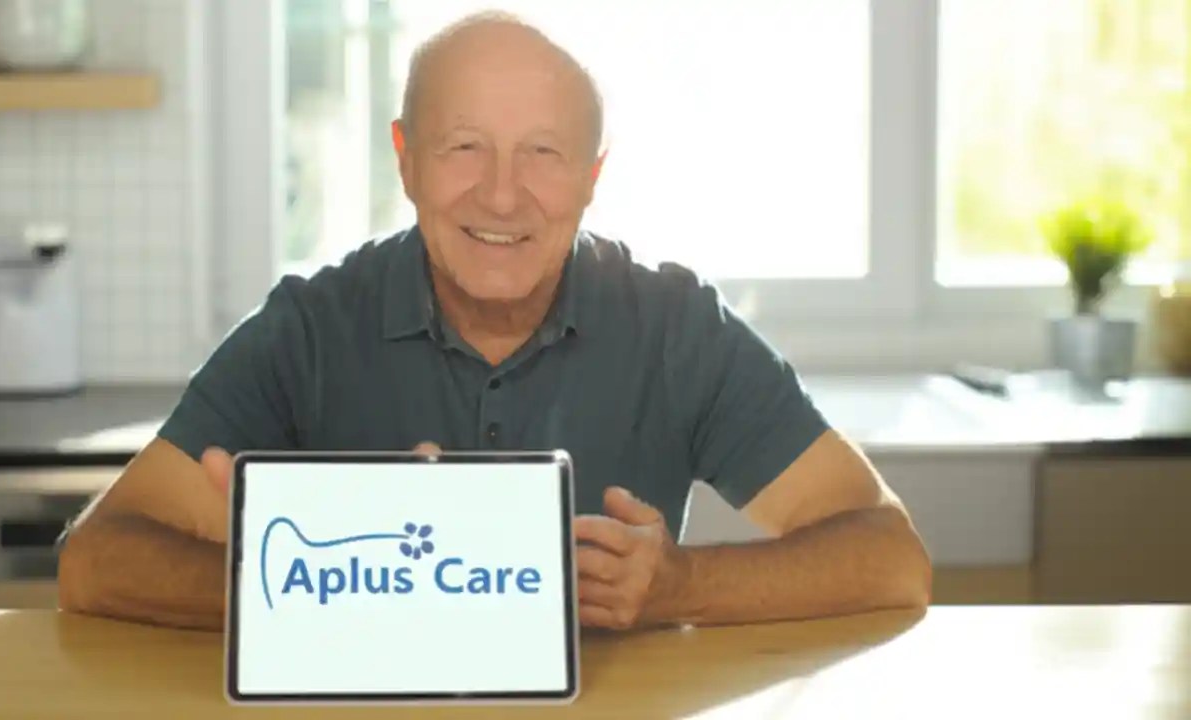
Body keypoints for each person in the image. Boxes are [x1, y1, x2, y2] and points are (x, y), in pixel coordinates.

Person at [57, 11, 931, 632]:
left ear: (592, 176)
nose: (503, 195)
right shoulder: (310, 328)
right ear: (404, 160)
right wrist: (295, 582)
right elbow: (95, 561)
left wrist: (683, 585)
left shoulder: (675, 326)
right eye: (463, 147)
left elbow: (891, 556)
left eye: (543, 154)